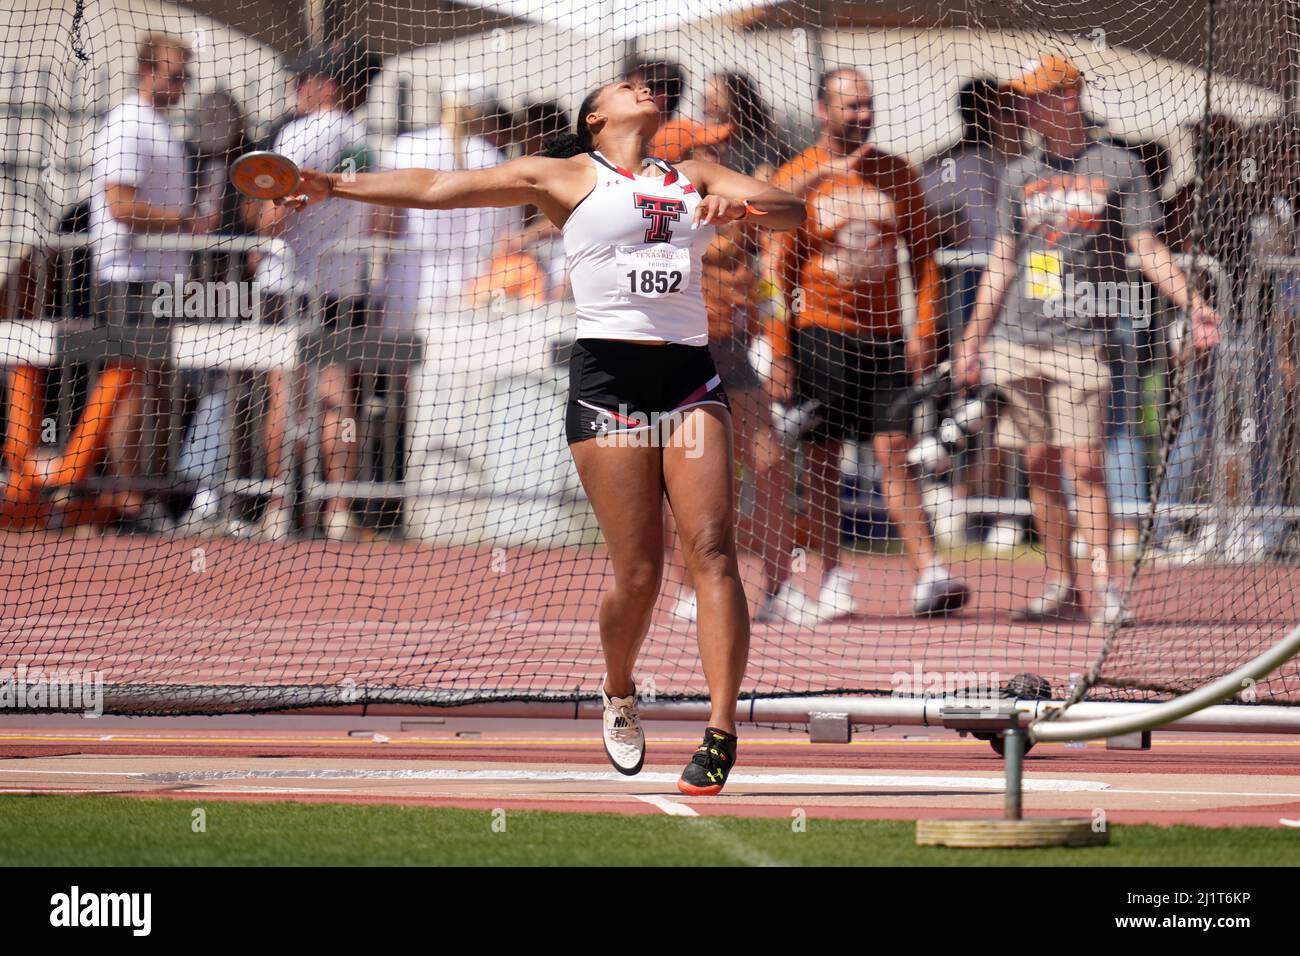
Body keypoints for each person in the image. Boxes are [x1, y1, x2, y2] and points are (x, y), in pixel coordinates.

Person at [274, 79, 805, 795]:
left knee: (712, 549)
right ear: (597, 117)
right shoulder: (563, 176)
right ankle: (619, 689)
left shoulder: (694, 175)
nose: (643, 88)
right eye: (626, 87)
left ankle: (720, 731)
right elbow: (438, 186)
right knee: (639, 571)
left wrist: (738, 203)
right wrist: (336, 184)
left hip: (690, 380)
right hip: (609, 383)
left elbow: (790, 210)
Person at [952, 54, 1222, 624]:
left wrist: (1194, 305)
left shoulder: (1118, 166)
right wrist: (973, 340)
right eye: (1020, 99)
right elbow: (1002, 260)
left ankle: (1102, 586)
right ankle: (1062, 584)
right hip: (1017, 339)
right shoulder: (1019, 173)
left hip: (1083, 340)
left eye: (1034, 96)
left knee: (1085, 464)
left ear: (1067, 98)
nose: (1022, 108)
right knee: (1040, 464)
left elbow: (1147, 248)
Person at [768, 67, 971, 621]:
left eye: (866, 105)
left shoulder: (897, 173)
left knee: (893, 453)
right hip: (821, 335)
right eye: (849, 106)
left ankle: (930, 571)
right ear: (822, 110)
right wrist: (781, 352)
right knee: (823, 461)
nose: (861, 115)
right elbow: (775, 274)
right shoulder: (799, 177)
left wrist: (925, 330)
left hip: (887, 340)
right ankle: (830, 577)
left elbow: (925, 258)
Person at [665, 134, 809, 626]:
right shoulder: (661, 198)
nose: (720, 156)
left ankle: (779, 587)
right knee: (685, 473)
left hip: (731, 345)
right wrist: (735, 213)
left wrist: (750, 206)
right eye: (707, 150)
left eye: (723, 147)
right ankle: (688, 588)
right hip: (680, 345)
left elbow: (786, 214)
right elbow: (714, 242)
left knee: (769, 462)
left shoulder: (732, 196)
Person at [86, 32, 221, 531]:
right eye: (174, 74)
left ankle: (150, 493)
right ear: (147, 72)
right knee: (133, 386)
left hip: (162, 279)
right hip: (131, 278)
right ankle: (126, 500)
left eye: (186, 75)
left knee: (162, 388)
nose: (182, 84)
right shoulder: (127, 123)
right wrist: (184, 220)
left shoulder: (162, 126)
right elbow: (120, 206)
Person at [253, 42, 385, 541]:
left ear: (323, 85)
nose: (295, 92)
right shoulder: (366, 142)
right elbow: (382, 222)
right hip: (342, 281)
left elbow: (274, 215)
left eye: (300, 82)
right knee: (338, 399)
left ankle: (279, 506)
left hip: (292, 280)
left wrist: (261, 227)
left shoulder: (300, 133)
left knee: (285, 396)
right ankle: (338, 511)